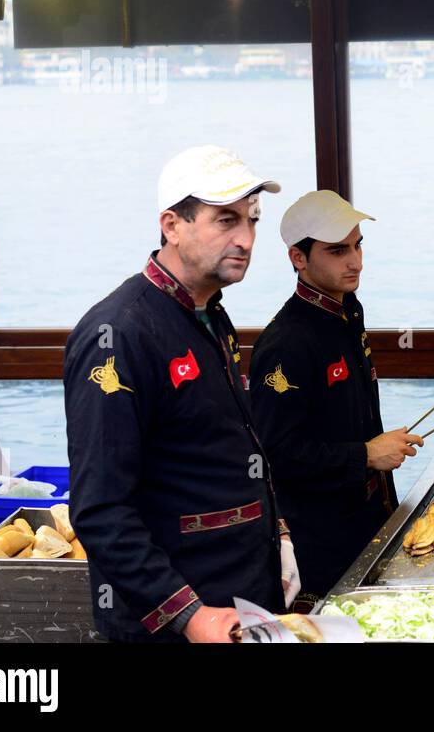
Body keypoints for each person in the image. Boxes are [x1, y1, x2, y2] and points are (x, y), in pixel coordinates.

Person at [64, 145, 299, 643]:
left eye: (252, 220)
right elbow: (100, 511)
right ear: (172, 225)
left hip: (245, 592)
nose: (246, 238)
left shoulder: (211, 314)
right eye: (226, 220)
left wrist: (276, 534)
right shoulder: (117, 334)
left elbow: (230, 448)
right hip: (180, 617)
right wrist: (189, 614)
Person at [250, 190, 421, 610]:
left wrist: (376, 453)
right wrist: (365, 454)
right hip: (319, 536)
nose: (356, 261)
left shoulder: (348, 309)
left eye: (358, 245)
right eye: (338, 250)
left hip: (366, 512)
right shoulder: (286, 343)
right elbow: (276, 455)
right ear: (298, 258)